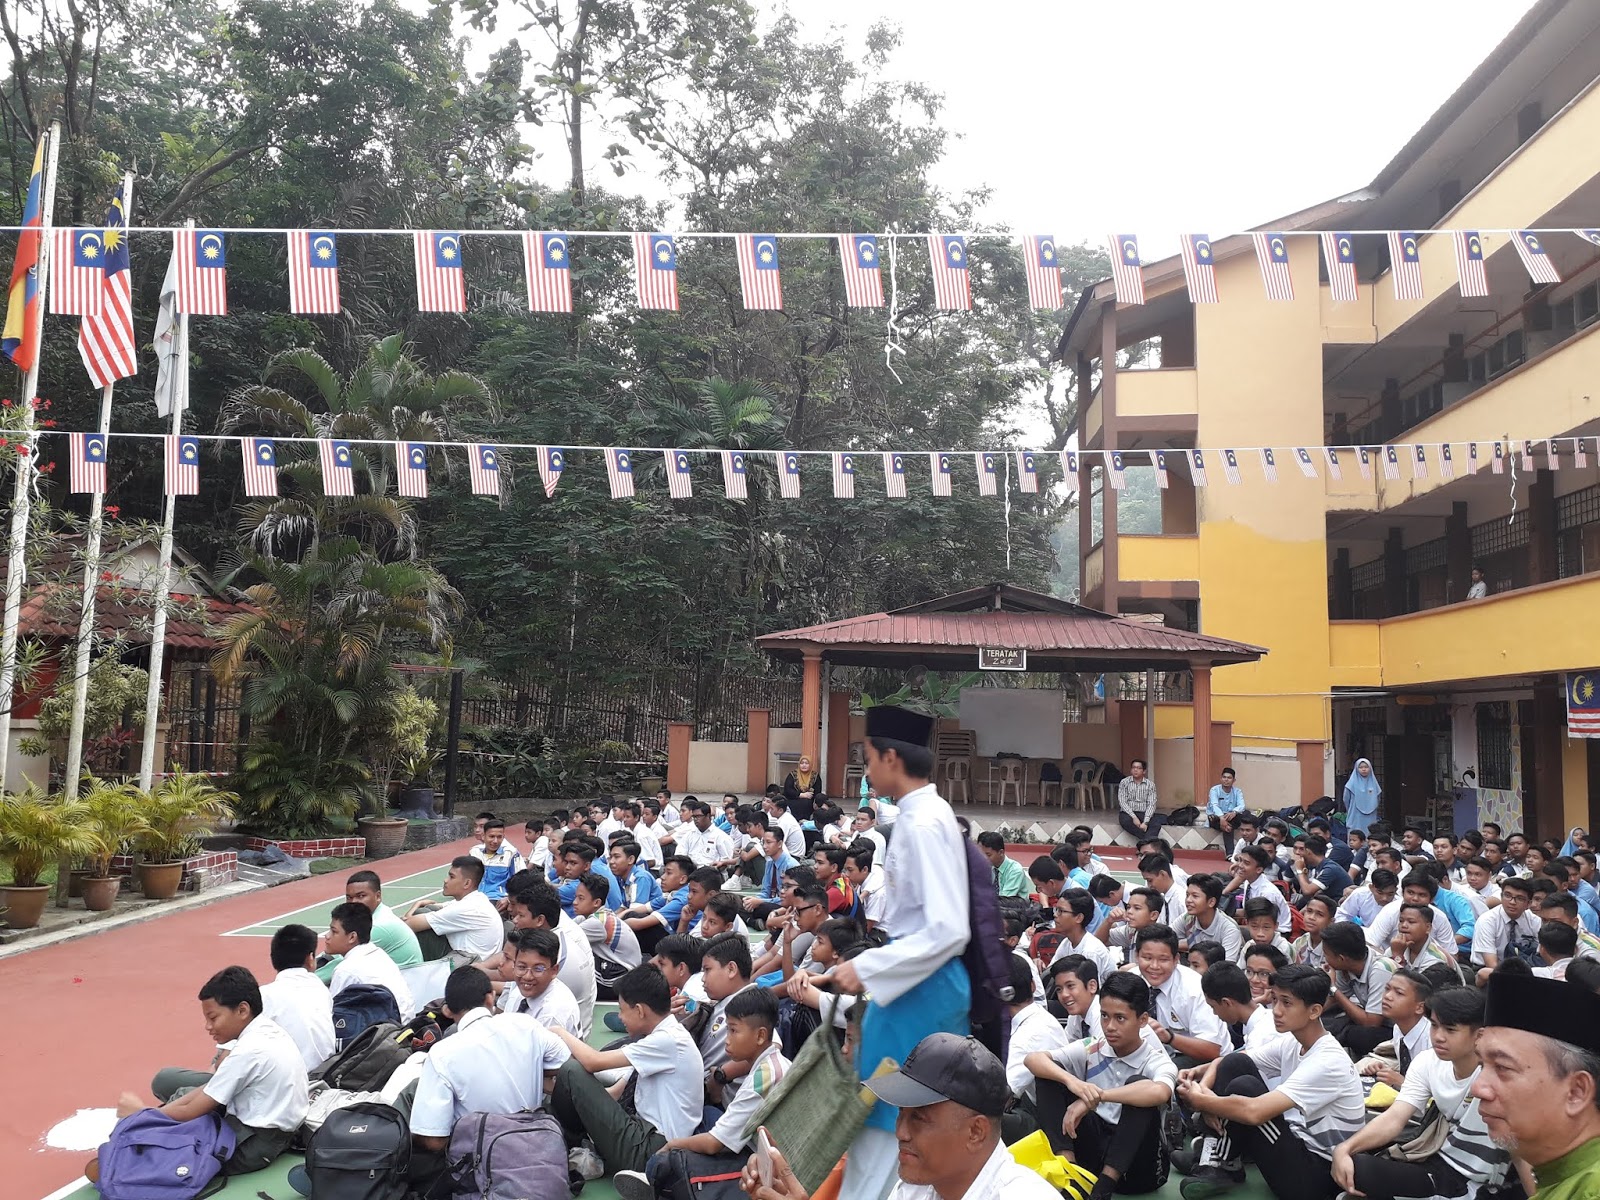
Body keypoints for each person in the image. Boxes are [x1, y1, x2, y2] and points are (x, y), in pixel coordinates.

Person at [827, 706, 971, 1200]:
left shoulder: (923, 824)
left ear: (890, 757)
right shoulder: (922, 815)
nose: (866, 772)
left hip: (920, 991)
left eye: (868, 759)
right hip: (914, 985)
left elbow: (949, 928)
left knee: (892, 1137)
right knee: (892, 1135)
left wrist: (866, 966)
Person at [1175, 964, 1364, 1200]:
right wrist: (1202, 1083)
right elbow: (1231, 1061)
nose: (1276, 1010)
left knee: (1245, 1088)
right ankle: (1216, 1159)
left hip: (1314, 1177)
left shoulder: (1327, 1061)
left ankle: (1219, 1160)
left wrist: (1202, 1102)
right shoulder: (1293, 1042)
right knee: (1236, 1066)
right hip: (1295, 1146)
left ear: (1314, 1011)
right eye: (1274, 1000)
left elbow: (1254, 1112)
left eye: (1286, 1003)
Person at [100, 967, 308, 1180]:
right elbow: (207, 1090)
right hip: (273, 1134)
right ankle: (137, 1141)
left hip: (253, 1146)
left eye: (213, 1017)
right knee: (184, 1095)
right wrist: (150, 1115)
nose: (208, 1026)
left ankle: (127, 1163)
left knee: (181, 1144)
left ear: (242, 1010)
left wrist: (141, 1114)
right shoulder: (265, 1030)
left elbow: (191, 1110)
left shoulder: (249, 1050)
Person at [1332, 984, 1513, 1199]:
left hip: (1482, 1180)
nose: (1438, 1036)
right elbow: (1395, 1117)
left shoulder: (1498, 1076)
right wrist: (1345, 1148)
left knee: (1362, 1173)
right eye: (1434, 1026)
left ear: (1479, 1034)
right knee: (1354, 1170)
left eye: (1450, 1029)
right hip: (1438, 1163)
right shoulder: (1428, 1062)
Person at [613, 987, 791, 1200]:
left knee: (664, 1162)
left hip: (755, 1160)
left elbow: (715, 1143)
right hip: (749, 1143)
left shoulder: (764, 1077)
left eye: (733, 1030)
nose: (727, 1039)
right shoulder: (772, 1061)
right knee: (707, 1114)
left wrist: (673, 1144)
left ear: (761, 1035)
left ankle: (659, 1184)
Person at [840, 1032, 1063, 1200]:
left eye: (919, 1118)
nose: (900, 1132)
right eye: (901, 1113)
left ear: (976, 1132)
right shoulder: (915, 1189)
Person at [404, 966, 570, 1187]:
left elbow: (434, 1141)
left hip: (482, 1165)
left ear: (447, 1011)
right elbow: (566, 1065)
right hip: (536, 1146)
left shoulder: (442, 1053)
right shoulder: (526, 1024)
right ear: (491, 997)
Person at [1024, 971, 1176, 1198]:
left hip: (1138, 1170)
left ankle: (1103, 1189)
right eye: (1104, 1016)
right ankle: (1071, 1174)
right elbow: (1033, 1059)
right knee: (1049, 1075)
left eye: (1120, 1018)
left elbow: (1159, 1092)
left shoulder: (1156, 1059)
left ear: (1142, 1020)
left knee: (1140, 1088)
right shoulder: (1093, 1046)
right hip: (1095, 1154)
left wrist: (1097, 1096)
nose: (1110, 1026)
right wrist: (1074, 1083)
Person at [548, 964, 704, 1175]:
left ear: (640, 1011)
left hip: (652, 1149)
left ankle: (570, 1146)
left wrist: (558, 1032)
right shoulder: (664, 1036)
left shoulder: (669, 1040)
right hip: (644, 1133)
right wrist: (588, 1102)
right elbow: (618, 1090)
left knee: (571, 1071)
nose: (620, 1016)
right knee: (576, 1079)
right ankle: (577, 1143)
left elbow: (593, 1061)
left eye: (622, 1010)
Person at [1471, 972, 1600, 1198]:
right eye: (1482, 1064)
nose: (1477, 1088)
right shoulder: (1560, 1173)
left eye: (1502, 1067)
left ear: (1576, 1092)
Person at [507, 882, 598, 1038]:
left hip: (564, 1040)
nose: (515, 920)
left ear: (540, 920)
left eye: (521, 916)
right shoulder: (556, 939)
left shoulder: (550, 955)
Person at [1129, 924, 1227, 1065]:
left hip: (1195, 1059)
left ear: (1176, 960)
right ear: (1137, 956)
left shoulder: (1195, 987)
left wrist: (1168, 1037)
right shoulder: (1130, 981)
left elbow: (1211, 1050)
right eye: (1147, 958)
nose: (1154, 966)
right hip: (1146, 1054)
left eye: (1163, 960)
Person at [315, 869, 423, 982]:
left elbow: (340, 966)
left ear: (378, 896)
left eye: (361, 896)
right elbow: (335, 955)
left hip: (407, 986)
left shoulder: (379, 926)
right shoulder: (371, 917)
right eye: (349, 897)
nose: (353, 902)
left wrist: (304, 979)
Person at [403, 856, 504, 966]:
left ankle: (419, 970)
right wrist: (420, 905)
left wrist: (414, 907)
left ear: (467, 883)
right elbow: (435, 906)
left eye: (452, 877)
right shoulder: (477, 899)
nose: (445, 880)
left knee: (421, 918)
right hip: (472, 959)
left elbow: (407, 925)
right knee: (428, 910)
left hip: (469, 966)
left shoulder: (466, 908)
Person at [327, 900, 416, 1021]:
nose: (327, 936)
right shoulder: (379, 954)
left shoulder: (346, 970)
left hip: (383, 1033)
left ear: (352, 937)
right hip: (405, 1026)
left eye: (334, 931)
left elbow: (331, 1015)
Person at [261, 924, 334, 1070]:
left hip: (291, 1078)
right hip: (326, 1073)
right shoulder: (320, 989)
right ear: (310, 959)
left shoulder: (264, 995)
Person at [1320, 920, 1396, 1056]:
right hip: (1373, 1019)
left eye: (1326, 954)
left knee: (1356, 1034)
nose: (1325, 959)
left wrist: (1332, 988)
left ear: (1341, 958)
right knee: (1326, 1022)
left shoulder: (1380, 969)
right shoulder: (1345, 967)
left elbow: (1371, 1023)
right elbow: (1331, 1002)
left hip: (1394, 1028)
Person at [1355, 968, 1433, 1086]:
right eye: (1387, 989)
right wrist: (1383, 1070)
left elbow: (1438, 1090)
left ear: (1419, 1008)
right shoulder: (1398, 1029)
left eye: (1399, 993)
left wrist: (1402, 1083)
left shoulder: (1432, 1040)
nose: (1388, 996)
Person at [1471, 874, 1541, 984]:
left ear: (1529, 903)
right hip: (1489, 970)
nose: (1512, 902)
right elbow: (1491, 964)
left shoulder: (1535, 921)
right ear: (1501, 896)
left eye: (1519, 898)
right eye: (1508, 896)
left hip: (1526, 970)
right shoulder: (1487, 920)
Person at [1198, 961, 1276, 1054]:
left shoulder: (1260, 1038)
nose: (1214, 1013)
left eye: (1213, 1007)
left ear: (1226, 1003)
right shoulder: (1266, 1018)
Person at [1046, 888, 1117, 980]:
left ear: (1079, 918)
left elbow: (1091, 991)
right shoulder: (1067, 943)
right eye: (1056, 909)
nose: (1055, 915)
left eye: (1061, 911)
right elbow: (1051, 972)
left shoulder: (1091, 952)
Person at [1222, 844, 1291, 933]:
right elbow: (1247, 912)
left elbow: (1261, 924)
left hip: (1275, 932)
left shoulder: (1267, 893)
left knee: (1227, 931)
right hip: (1257, 925)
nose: (1240, 865)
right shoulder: (1249, 882)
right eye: (1240, 860)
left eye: (1246, 863)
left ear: (1258, 870)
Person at [1176, 875, 1244, 961]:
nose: (1188, 900)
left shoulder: (1229, 929)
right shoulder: (1187, 918)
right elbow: (1164, 939)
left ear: (1211, 902)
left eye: (1195, 896)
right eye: (1187, 895)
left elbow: (1226, 967)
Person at [470, 818, 524, 905]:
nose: (495, 841)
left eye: (499, 837)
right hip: (475, 898)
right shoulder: (474, 852)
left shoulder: (511, 854)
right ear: (483, 836)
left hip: (498, 900)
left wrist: (508, 899)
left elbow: (522, 881)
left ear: (503, 837)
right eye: (491, 837)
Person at [1291, 834, 1352, 907]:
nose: (1298, 853)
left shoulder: (1330, 869)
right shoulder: (1319, 866)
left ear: (1308, 852)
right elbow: (1312, 895)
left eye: (1302, 850)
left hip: (1341, 908)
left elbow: (1307, 891)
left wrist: (1299, 870)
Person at [677, 799, 736, 871]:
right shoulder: (689, 835)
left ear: (708, 816)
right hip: (690, 872)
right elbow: (680, 854)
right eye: (694, 817)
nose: (695, 819)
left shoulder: (721, 837)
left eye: (698, 816)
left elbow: (725, 863)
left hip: (712, 874)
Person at [1117, 758, 1163, 844]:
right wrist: (1134, 817)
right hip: (1128, 813)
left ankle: (1145, 844)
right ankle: (1148, 843)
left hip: (1143, 812)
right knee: (1126, 822)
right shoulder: (1124, 782)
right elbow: (1122, 801)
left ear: (1144, 771)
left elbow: (1151, 804)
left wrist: (1145, 822)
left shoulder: (1150, 785)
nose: (1135, 770)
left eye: (1138, 768)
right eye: (1133, 767)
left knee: (1156, 825)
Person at [1290, 892, 1336, 971]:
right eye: (1309, 911)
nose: (1311, 917)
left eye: (1320, 914)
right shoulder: (1300, 942)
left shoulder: (1334, 948)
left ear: (1331, 921)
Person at [1138, 854, 1187, 927]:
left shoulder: (1181, 900)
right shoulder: (1164, 899)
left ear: (1163, 874)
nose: (1149, 885)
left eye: (1150, 880)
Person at [978, 831, 1030, 899]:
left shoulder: (1015, 871)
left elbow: (1004, 899)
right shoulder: (986, 867)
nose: (984, 858)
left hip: (1013, 908)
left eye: (988, 855)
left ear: (1001, 852)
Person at [1206, 768, 1246, 855]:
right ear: (1221, 778)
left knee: (1245, 815)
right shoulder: (1214, 790)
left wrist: (1234, 812)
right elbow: (1214, 805)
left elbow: (1242, 805)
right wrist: (1221, 818)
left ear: (1234, 780)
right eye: (1224, 777)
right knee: (1227, 826)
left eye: (1229, 778)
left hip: (1230, 817)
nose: (1226, 780)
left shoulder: (1237, 791)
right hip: (1216, 818)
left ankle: (1231, 853)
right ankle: (1230, 853)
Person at [1342, 757, 1382, 836]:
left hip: (1371, 816)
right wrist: (1350, 809)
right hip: (1355, 814)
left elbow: (1378, 798)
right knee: (1355, 836)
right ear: (1356, 769)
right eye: (1360, 767)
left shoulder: (1374, 783)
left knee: (1370, 834)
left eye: (1366, 767)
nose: (1364, 769)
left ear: (1370, 768)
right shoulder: (1351, 784)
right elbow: (1346, 799)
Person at [782, 753, 825, 822]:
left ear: (810, 765)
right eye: (802, 763)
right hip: (793, 800)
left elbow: (817, 791)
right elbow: (787, 790)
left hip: (809, 802)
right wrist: (800, 795)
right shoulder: (793, 775)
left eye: (806, 763)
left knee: (807, 803)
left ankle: (804, 822)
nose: (804, 765)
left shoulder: (815, 776)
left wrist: (815, 802)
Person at [765, 793, 806, 859]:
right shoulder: (784, 817)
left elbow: (778, 842)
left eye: (772, 809)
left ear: (780, 810)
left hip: (793, 856)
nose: (769, 811)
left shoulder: (785, 821)